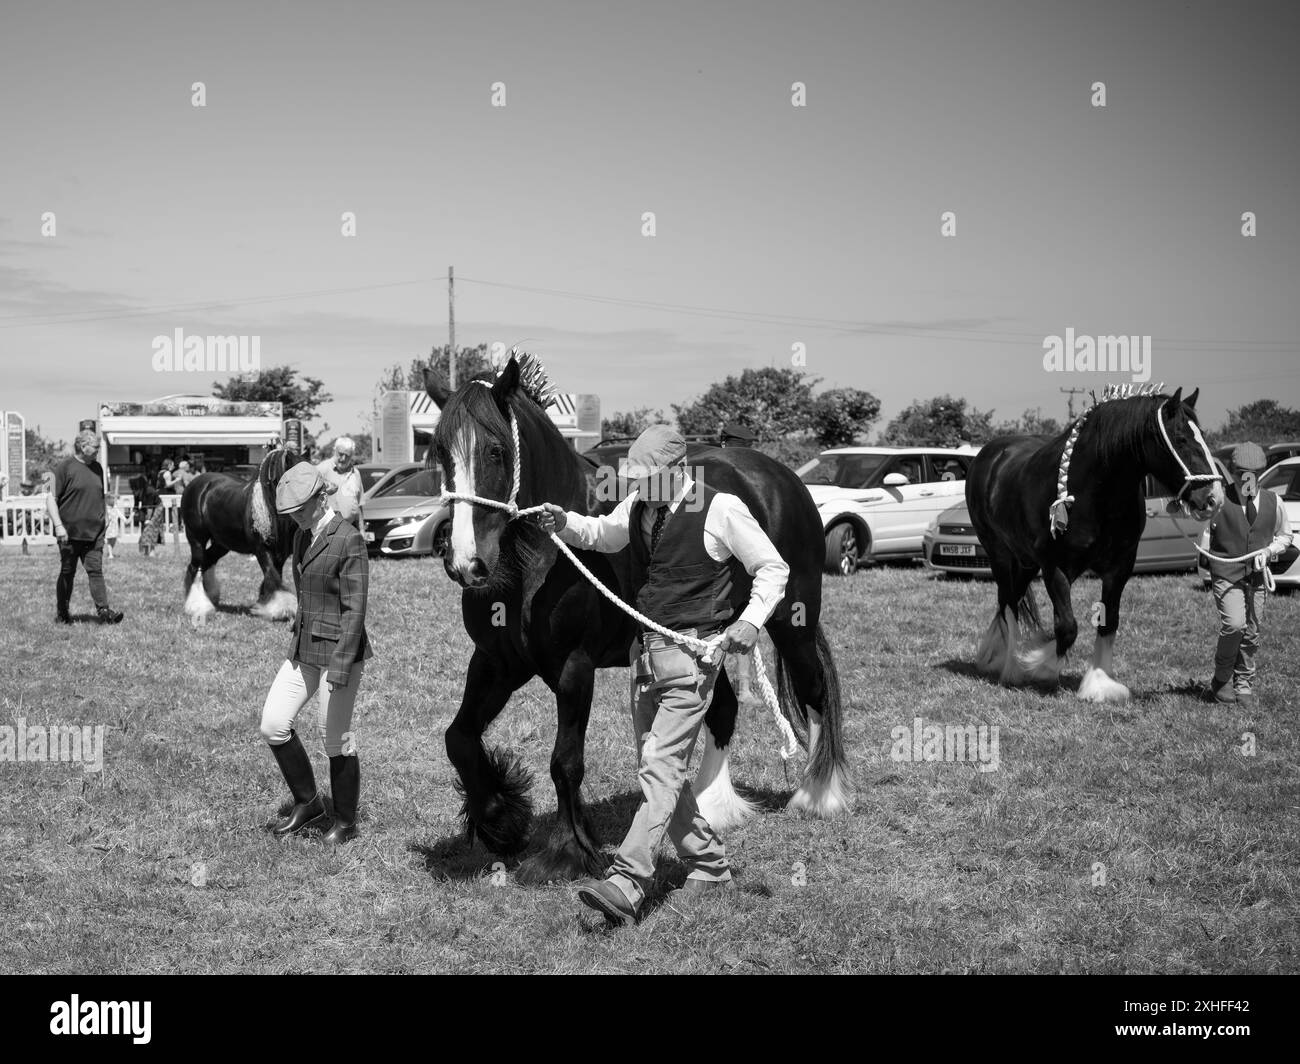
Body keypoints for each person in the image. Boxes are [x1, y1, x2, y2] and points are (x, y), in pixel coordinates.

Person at [532, 424, 789, 927]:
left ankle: (628, 881)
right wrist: (564, 522)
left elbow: (773, 569)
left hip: (693, 661)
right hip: (645, 657)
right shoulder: (641, 506)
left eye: (647, 477)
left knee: (660, 769)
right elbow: (604, 534)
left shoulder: (721, 509)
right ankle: (710, 867)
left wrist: (749, 622)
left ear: (676, 470)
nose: (637, 485)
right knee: (659, 771)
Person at [259, 463, 373, 844]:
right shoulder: (301, 537)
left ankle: (345, 822)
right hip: (304, 649)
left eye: (299, 509)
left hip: (340, 653)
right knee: (273, 723)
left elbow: (355, 611)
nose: (294, 517)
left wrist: (340, 668)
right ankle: (308, 804)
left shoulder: (349, 539)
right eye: (289, 512)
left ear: (320, 497)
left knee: (335, 738)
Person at [1205, 442, 1293, 703]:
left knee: (1252, 631)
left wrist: (1268, 551)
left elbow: (1285, 536)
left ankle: (1243, 683)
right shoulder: (1219, 500)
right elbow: (1202, 523)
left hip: (1256, 576)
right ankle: (1221, 678)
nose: (1247, 479)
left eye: (1253, 474)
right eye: (1242, 473)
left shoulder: (1273, 501)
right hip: (1226, 573)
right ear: (1233, 473)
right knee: (1234, 625)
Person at [46, 431, 124, 624]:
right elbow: (50, 499)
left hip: (95, 534)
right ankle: (63, 612)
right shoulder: (64, 468)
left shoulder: (97, 468)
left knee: (95, 571)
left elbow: (99, 496)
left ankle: (105, 612)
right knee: (67, 572)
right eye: (95, 447)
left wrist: (104, 519)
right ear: (82, 446)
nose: (98, 450)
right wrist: (58, 526)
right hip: (69, 533)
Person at [317, 436, 364, 526]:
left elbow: (359, 505)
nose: (343, 459)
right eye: (341, 454)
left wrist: (362, 530)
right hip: (328, 527)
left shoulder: (355, 473)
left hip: (351, 527)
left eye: (347, 456)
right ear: (335, 451)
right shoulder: (322, 470)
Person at [104, 494, 125, 560]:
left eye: (113, 499)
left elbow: (120, 514)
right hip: (109, 527)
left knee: (114, 540)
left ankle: (110, 552)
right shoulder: (106, 508)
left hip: (115, 527)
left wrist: (125, 519)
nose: (113, 501)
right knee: (109, 540)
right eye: (112, 499)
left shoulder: (115, 507)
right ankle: (110, 554)